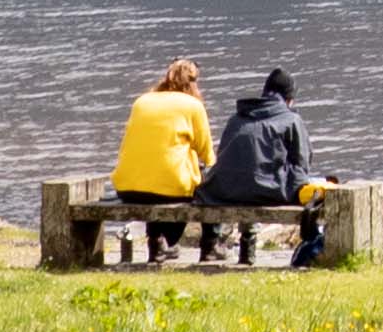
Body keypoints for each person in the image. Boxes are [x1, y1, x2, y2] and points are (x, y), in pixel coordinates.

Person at [111, 56, 217, 262]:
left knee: (157, 177)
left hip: (127, 188)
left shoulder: (142, 101)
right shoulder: (192, 105)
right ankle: (210, 246)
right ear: (192, 83)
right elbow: (208, 155)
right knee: (207, 184)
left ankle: (157, 242)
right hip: (170, 191)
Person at [209, 66, 312, 262]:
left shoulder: (237, 118)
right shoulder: (291, 119)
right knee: (259, 183)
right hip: (266, 190)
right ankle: (249, 243)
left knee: (248, 176)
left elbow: (222, 155)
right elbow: (302, 163)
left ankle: (211, 244)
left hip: (225, 190)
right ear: (289, 99)